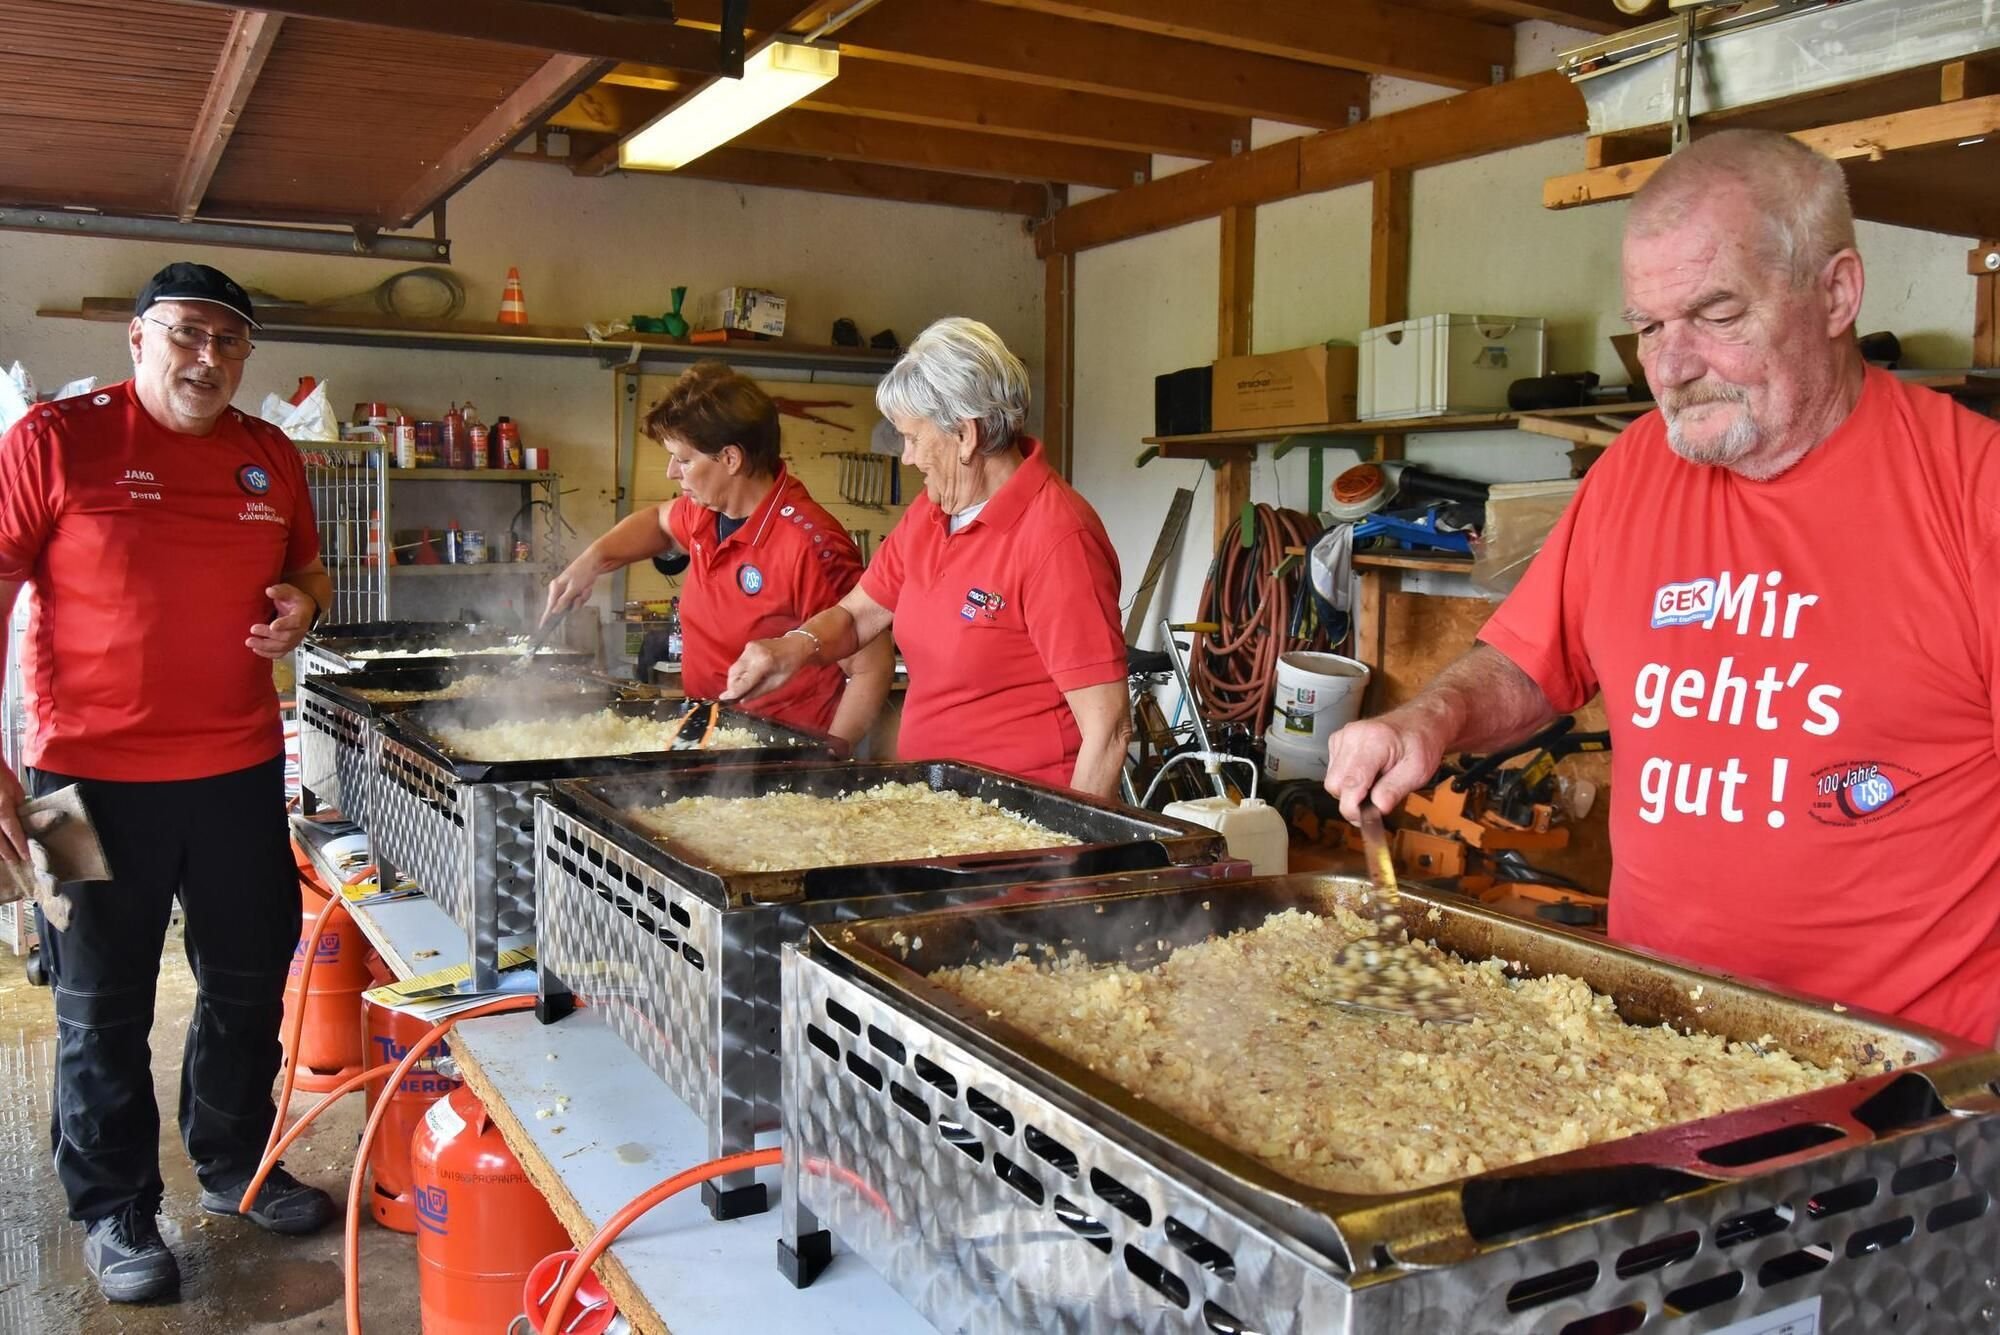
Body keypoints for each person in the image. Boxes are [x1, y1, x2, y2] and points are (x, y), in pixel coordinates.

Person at [1323, 129, 2000, 1048]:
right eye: (1648, 326)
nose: (1672, 366)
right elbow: (1532, 661)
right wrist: (1428, 720)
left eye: (1718, 314)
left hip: (1906, 1110)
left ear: (1837, 292)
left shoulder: (1973, 490)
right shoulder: (1638, 469)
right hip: (1664, 1056)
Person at [0, 262, 339, 1303]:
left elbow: (310, 572)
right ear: (138, 338)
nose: (209, 359)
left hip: (238, 765)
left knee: (249, 977)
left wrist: (303, 607)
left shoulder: (267, 453)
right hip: (75, 775)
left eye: (229, 343)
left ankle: (234, 1161)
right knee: (98, 1001)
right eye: (188, 334)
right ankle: (112, 1206)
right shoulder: (53, 441)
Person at [722, 317, 1132, 796]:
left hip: (1018, 824)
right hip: (937, 806)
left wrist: (1067, 861)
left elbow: (1108, 731)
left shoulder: (1058, 538)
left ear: (965, 435)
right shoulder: (932, 512)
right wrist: (791, 647)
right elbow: (857, 617)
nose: (906, 457)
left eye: (913, 438)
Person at [544, 362, 892, 745]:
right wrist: (591, 561)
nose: (671, 472)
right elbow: (658, 523)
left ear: (730, 458)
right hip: (709, 735)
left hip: (779, 753)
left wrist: (831, 759)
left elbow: (870, 665)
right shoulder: (706, 510)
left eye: (684, 459)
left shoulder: (808, 544)